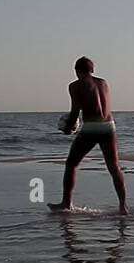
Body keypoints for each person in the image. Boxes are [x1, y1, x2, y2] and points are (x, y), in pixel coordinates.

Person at [48, 57, 129, 215]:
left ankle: (66, 203)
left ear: (77, 70)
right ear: (92, 70)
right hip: (109, 126)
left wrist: (68, 129)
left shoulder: (75, 86)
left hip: (91, 128)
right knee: (114, 167)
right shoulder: (103, 83)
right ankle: (123, 206)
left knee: (71, 164)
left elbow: (75, 111)